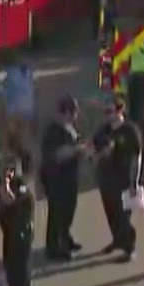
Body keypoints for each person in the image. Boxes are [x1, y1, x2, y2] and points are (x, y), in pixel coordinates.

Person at [91, 96, 144, 263]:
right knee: (111, 213)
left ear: (120, 111)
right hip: (107, 179)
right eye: (105, 111)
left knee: (123, 216)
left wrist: (135, 180)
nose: (107, 115)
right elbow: (93, 147)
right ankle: (117, 240)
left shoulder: (130, 130)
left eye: (109, 111)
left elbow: (137, 156)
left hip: (124, 180)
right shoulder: (104, 130)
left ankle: (130, 248)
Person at [38, 96, 85, 261]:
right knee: (58, 212)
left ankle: (65, 237)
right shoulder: (54, 132)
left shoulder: (69, 128)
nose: (76, 115)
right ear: (65, 112)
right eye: (74, 111)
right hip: (56, 179)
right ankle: (54, 247)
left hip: (69, 178)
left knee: (68, 211)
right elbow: (56, 156)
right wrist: (76, 150)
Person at [0, 154, 37, 286]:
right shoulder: (2, 184)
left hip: (21, 234)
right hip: (9, 233)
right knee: (11, 272)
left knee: (21, 273)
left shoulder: (22, 185)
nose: (7, 173)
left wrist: (5, 184)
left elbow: (10, 200)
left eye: (10, 169)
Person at [0, 59, 38, 166]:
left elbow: (2, 92)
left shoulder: (22, 74)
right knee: (16, 138)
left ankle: (16, 159)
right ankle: (14, 159)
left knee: (17, 138)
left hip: (20, 113)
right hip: (20, 113)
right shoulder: (23, 74)